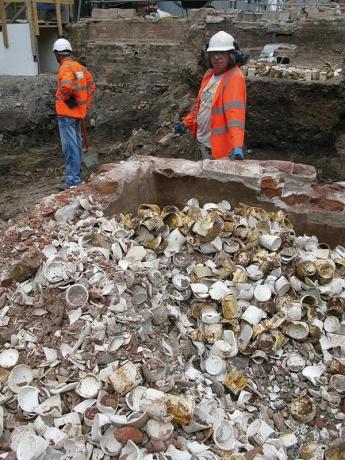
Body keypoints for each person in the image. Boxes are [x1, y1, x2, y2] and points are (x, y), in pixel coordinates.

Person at [175, 31, 246, 161]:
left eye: (222, 53)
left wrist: (237, 145)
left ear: (233, 56)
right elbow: (202, 106)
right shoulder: (209, 74)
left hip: (216, 148)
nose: (217, 57)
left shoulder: (234, 77)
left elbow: (235, 114)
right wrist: (187, 123)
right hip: (201, 140)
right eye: (213, 54)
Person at [53, 38, 96, 190]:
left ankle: (72, 180)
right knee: (76, 145)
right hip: (77, 113)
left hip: (66, 114)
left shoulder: (65, 68)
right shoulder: (80, 68)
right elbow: (92, 86)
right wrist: (83, 104)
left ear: (58, 54)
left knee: (70, 147)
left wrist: (68, 100)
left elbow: (66, 87)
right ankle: (75, 175)